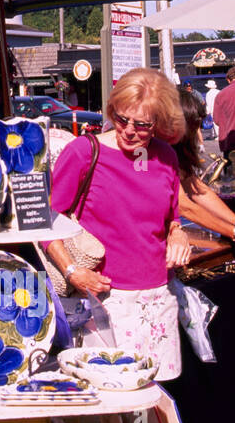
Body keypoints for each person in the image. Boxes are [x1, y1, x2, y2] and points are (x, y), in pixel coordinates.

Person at [43, 67, 193, 379]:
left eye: (141, 125)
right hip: (104, 300)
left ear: (159, 124)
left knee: (157, 395)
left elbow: (170, 216)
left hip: (158, 297)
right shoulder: (84, 152)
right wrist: (73, 272)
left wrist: (178, 233)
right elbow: (47, 222)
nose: (128, 130)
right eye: (122, 119)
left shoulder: (165, 156)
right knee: (110, 396)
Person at [173, 89, 235, 251]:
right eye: (191, 129)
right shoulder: (155, 149)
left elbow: (199, 190)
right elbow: (184, 205)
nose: (193, 135)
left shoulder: (178, 149)